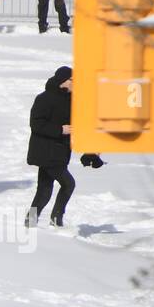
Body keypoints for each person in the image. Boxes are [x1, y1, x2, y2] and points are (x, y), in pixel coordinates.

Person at [26, 65, 105, 228]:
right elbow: (36, 124)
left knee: (44, 189)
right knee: (68, 184)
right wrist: (59, 129)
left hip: (60, 152)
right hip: (45, 152)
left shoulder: (73, 101)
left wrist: (91, 150)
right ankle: (56, 219)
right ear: (62, 80)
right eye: (72, 80)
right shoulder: (44, 98)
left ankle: (31, 220)